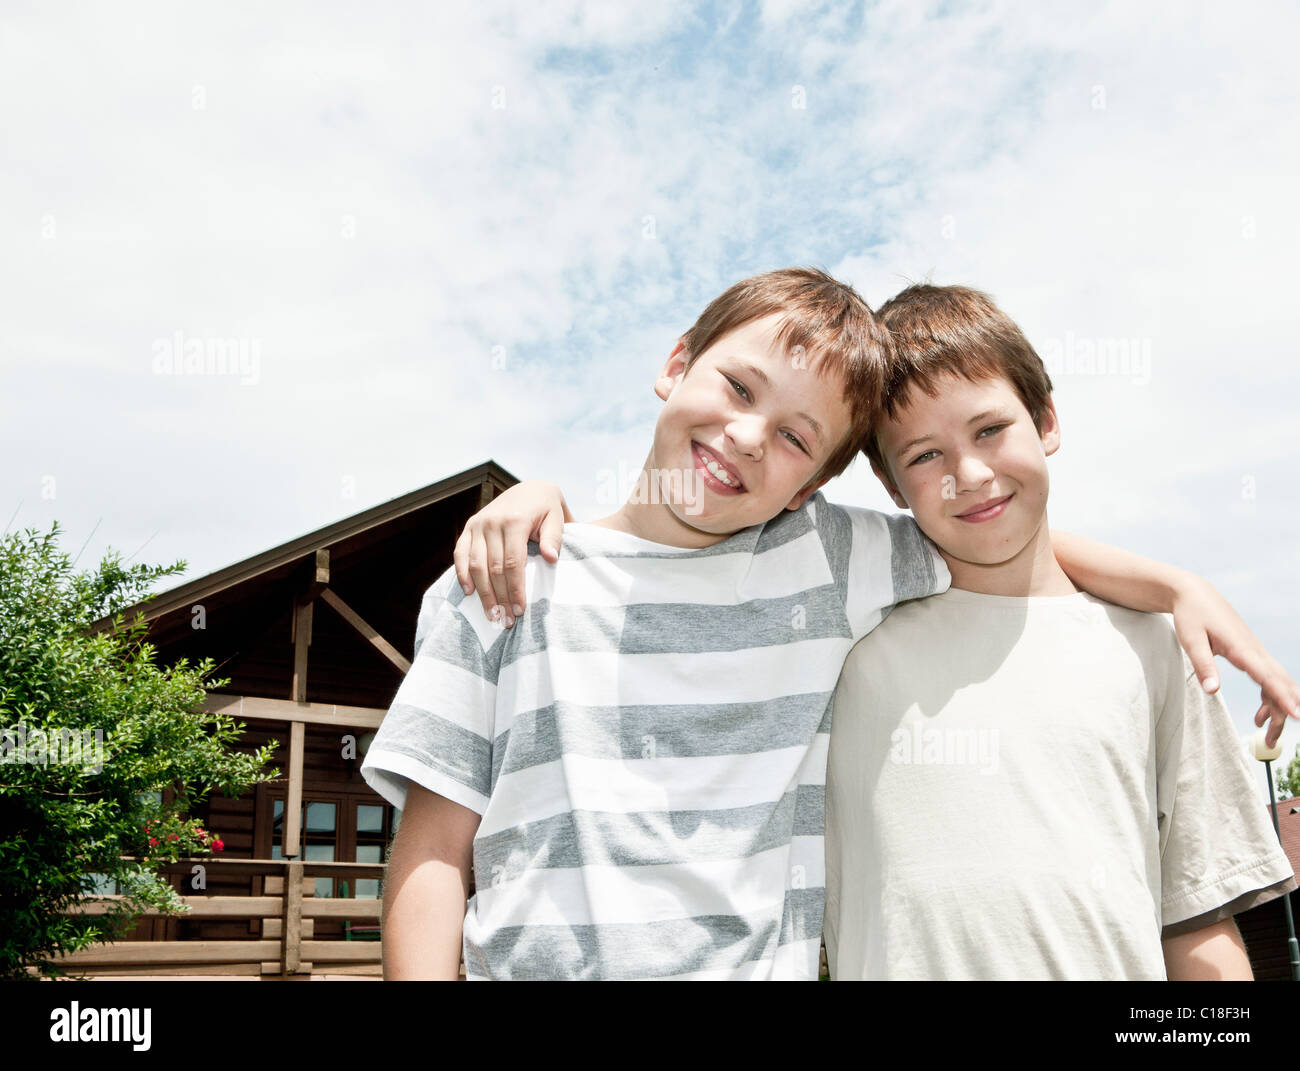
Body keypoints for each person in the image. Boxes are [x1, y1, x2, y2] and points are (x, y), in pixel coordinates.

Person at [369, 267, 1299, 980]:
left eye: (794, 437)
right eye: (739, 388)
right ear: (676, 362)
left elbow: (990, 530)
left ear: (811, 486)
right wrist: (532, 498)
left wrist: (1176, 582)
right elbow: (432, 854)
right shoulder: (493, 584)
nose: (746, 437)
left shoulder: (821, 562)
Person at [822, 283, 1296, 980]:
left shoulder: (1161, 647)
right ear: (892, 487)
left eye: (990, 430)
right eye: (924, 456)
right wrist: (1172, 580)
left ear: (1045, 419)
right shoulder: (841, 644)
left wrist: (1173, 592)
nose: (971, 474)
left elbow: (1199, 921)